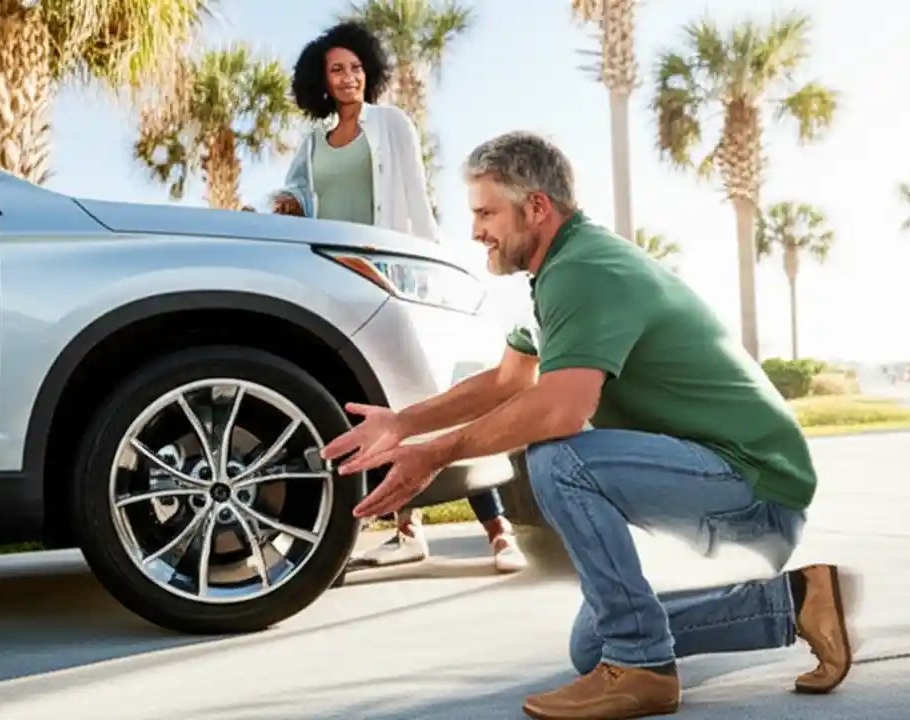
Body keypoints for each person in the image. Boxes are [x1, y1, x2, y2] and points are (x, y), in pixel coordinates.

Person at [320, 131, 857, 720]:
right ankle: (800, 602)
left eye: (485, 212)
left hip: (754, 482)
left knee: (558, 457)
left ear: (537, 207)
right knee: (592, 645)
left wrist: (436, 456)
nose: (475, 230)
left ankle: (645, 671)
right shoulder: (553, 277)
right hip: (714, 474)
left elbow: (559, 410)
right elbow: (508, 381)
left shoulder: (585, 269)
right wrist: (404, 424)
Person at [274, 21, 527, 575]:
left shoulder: (390, 124)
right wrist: (286, 204)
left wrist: (427, 267)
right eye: (338, 70)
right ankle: (407, 531)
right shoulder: (312, 142)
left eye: (357, 68)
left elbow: (412, 195)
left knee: (427, 394)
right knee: (373, 398)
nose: (349, 78)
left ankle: (499, 529)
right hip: (338, 280)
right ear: (322, 80)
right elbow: (293, 193)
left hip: (390, 272)